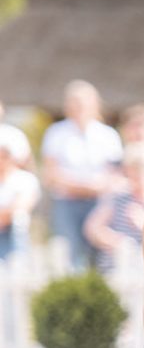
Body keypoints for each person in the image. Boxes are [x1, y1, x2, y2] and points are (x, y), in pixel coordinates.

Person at [40, 79, 123, 270]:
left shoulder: (108, 135)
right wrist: (84, 187)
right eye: (73, 102)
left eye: (83, 102)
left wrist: (96, 188)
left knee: (103, 259)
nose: (78, 107)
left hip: (101, 205)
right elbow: (51, 174)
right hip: (67, 204)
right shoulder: (55, 133)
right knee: (70, 257)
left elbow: (115, 174)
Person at [84, 142, 144, 273]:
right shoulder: (117, 197)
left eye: (142, 166)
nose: (138, 172)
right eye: (134, 167)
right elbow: (93, 229)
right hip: (115, 267)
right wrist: (118, 242)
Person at [0, 138, 40, 263]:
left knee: (19, 218)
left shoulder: (25, 179)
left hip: (14, 230)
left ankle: (19, 261)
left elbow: (21, 207)